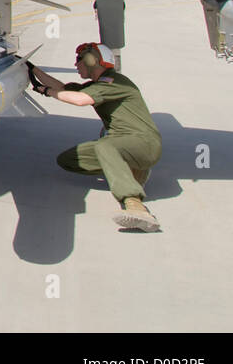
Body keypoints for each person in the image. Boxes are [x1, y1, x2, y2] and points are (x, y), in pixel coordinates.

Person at [28, 42, 162, 232]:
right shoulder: (98, 84)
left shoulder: (114, 82)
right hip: (122, 143)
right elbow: (63, 88)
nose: (76, 65)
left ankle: (135, 206)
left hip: (144, 143)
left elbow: (81, 100)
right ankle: (128, 170)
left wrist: (47, 92)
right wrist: (31, 70)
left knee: (105, 147)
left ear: (92, 61)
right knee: (69, 159)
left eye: (79, 60)